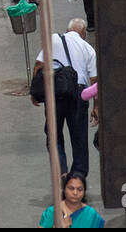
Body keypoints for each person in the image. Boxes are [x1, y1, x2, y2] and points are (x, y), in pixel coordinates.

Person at [31, 17, 98, 180]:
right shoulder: (88, 49)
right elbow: (94, 81)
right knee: (79, 138)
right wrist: (96, 107)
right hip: (79, 95)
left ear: (67, 31)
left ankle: (61, 171)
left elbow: (39, 65)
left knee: (54, 135)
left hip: (56, 92)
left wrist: (35, 92)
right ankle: (78, 176)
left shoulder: (54, 39)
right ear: (83, 35)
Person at [38, 172, 105, 228]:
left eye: (79, 189)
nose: (75, 193)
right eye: (71, 188)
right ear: (64, 189)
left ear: (84, 191)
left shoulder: (91, 214)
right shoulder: (52, 212)